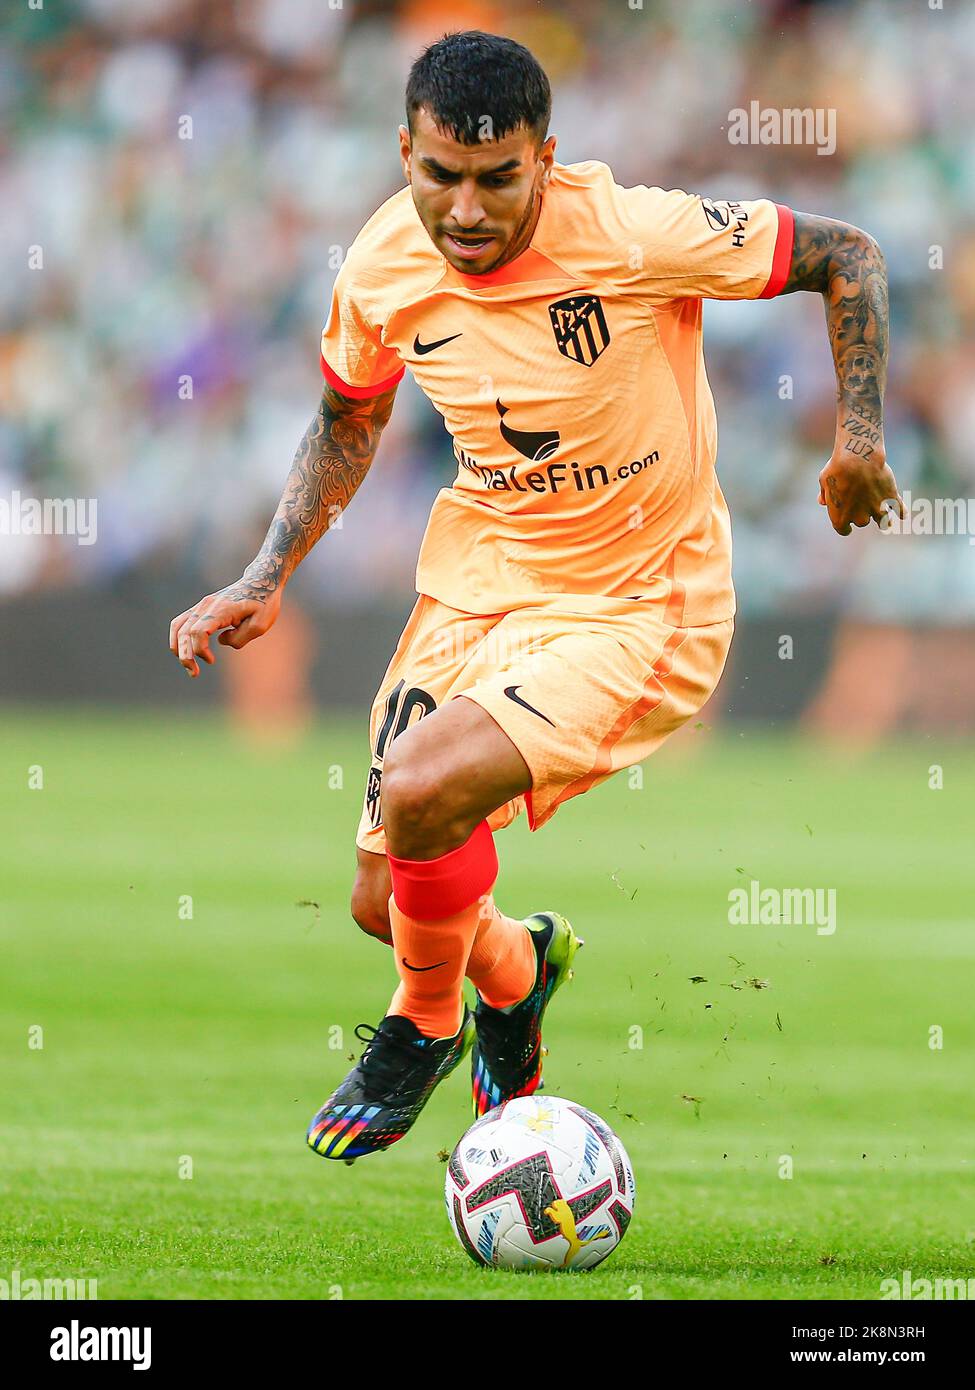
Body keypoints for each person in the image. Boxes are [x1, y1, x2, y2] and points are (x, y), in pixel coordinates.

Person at [169, 31, 902, 1162]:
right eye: (439, 176)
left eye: (498, 178)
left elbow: (846, 253)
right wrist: (267, 574)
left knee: (420, 797)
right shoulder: (379, 266)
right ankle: (516, 976)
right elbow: (347, 418)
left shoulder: (627, 231)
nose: (465, 209)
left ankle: (423, 1026)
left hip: (639, 601)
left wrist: (859, 436)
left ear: (545, 161)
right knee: (390, 901)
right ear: (402, 152)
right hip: (476, 589)